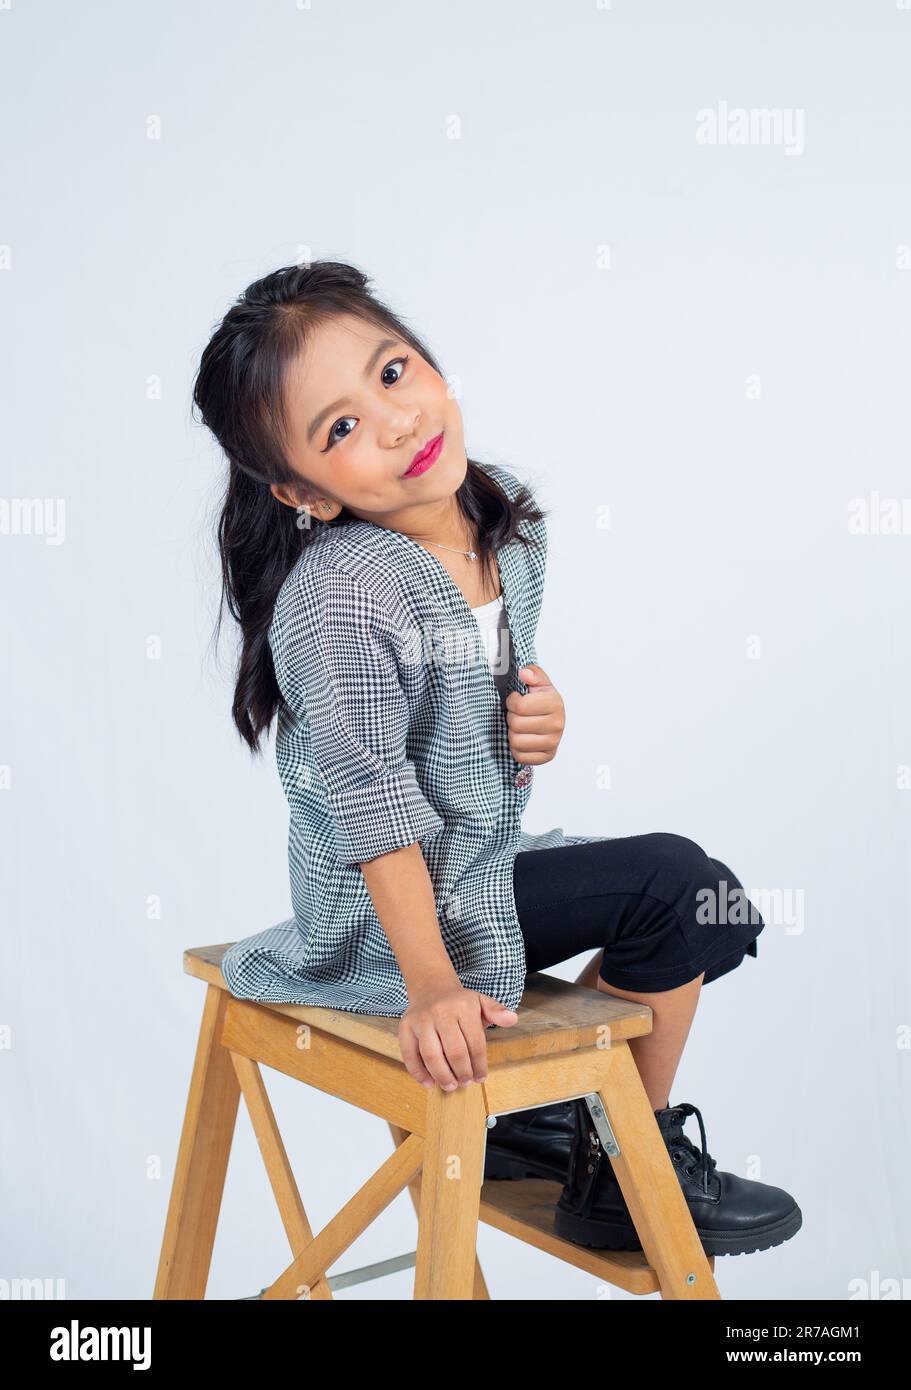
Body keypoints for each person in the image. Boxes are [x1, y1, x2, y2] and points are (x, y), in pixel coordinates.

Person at [191, 259, 801, 1255]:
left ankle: (550, 1130)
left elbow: (480, 686)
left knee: (710, 910)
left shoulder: (499, 516)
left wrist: (535, 712)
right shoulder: (344, 598)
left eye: (391, 373)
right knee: (672, 883)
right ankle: (617, 1160)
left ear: (428, 361)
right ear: (302, 489)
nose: (391, 422)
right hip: (388, 916)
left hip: (476, 864)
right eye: (338, 428)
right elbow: (370, 799)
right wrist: (430, 985)